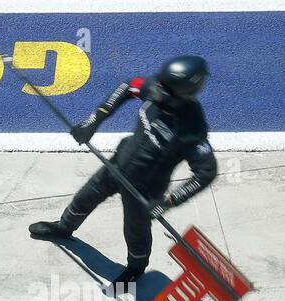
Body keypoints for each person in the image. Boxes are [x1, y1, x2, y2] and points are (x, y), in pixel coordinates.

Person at [29, 55, 217, 287]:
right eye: (157, 83)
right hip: (118, 165)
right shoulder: (157, 87)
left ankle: (136, 268)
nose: (153, 89)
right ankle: (63, 228)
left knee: (135, 230)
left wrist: (168, 201)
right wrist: (94, 120)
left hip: (145, 188)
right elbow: (128, 86)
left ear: (182, 94)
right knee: (83, 199)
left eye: (162, 89)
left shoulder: (192, 127)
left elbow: (206, 172)